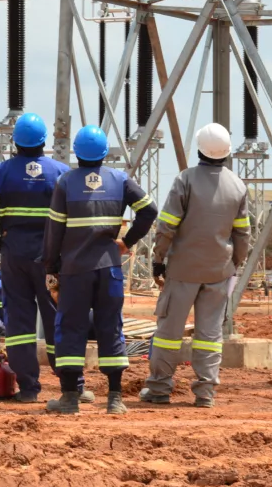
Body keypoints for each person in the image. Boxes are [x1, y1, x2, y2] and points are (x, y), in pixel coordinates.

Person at [42, 124, 157, 415]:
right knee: (110, 327)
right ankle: (115, 399)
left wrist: (51, 265)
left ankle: (69, 399)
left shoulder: (66, 183)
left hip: (75, 270)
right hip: (109, 269)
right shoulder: (119, 180)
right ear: (105, 153)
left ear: (76, 153)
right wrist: (126, 242)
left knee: (70, 329)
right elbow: (149, 210)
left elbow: (54, 231)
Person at [139, 122, 251, 409]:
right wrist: (233, 264)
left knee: (168, 332)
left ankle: (160, 388)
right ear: (226, 151)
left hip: (182, 271)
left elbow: (167, 226)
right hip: (218, 272)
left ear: (200, 148)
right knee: (210, 335)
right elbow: (243, 235)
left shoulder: (185, 180)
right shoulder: (238, 186)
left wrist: (158, 259)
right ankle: (205, 393)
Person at [0, 111, 71, 402]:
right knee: (58, 318)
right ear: (44, 142)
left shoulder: (1, 172)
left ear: (15, 142)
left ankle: (28, 389)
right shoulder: (60, 172)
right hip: (51, 257)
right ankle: (69, 386)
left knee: (19, 323)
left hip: (14, 255)